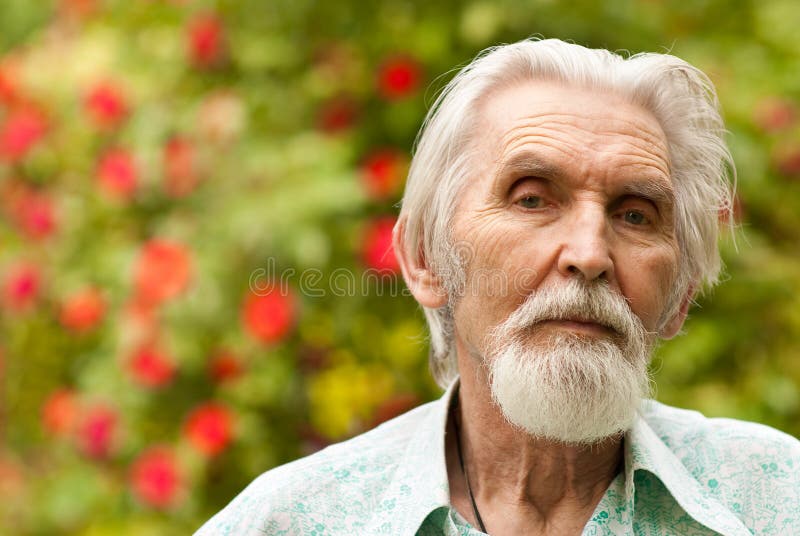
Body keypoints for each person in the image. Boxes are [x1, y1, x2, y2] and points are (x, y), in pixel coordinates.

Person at [195, 38, 800, 535]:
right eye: (532, 198)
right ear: (427, 258)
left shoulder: (776, 500)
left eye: (636, 214)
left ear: (681, 296)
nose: (589, 254)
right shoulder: (292, 522)